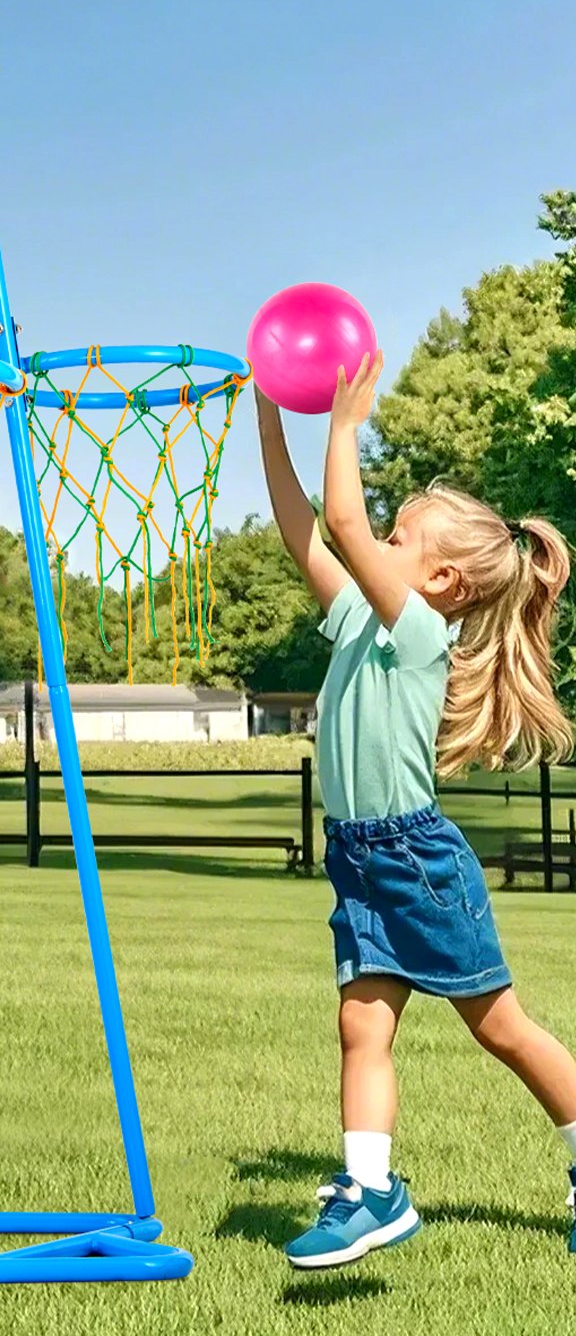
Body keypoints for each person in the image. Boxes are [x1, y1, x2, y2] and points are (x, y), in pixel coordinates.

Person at [258, 351, 576, 1270]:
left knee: (502, 1027)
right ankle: (372, 1190)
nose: (376, 543)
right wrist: (273, 425)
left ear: (441, 583)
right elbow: (305, 529)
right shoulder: (360, 614)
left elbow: (345, 520)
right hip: (358, 857)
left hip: (417, 862)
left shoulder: (420, 629)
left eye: (402, 540)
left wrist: (346, 421)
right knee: (361, 1023)